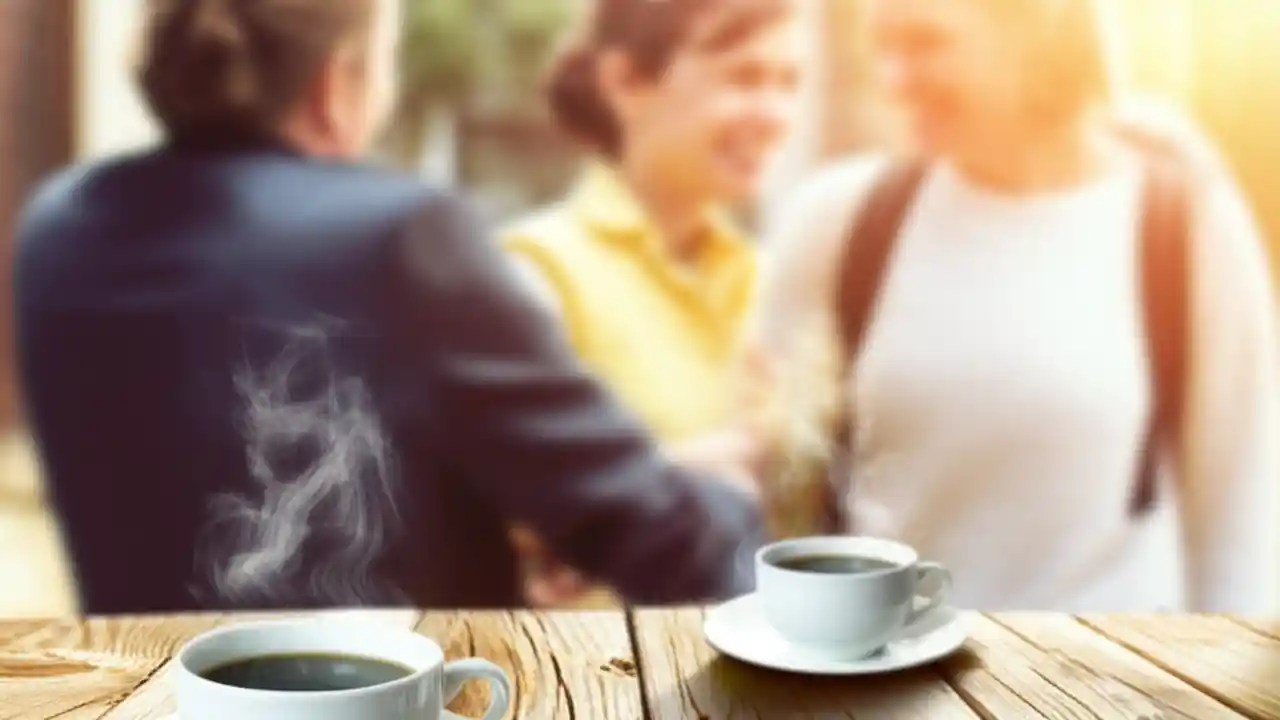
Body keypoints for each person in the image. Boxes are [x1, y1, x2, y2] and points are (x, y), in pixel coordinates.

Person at [15, 0, 762, 615]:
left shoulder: (58, 229)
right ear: (335, 88)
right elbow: (665, 543)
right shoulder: (396, 239)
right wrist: (734, 492)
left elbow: (217, 472)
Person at [756, 0, 1278, 612]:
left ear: (1038, 28)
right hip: (889, 682)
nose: (895, 80)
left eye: (925, 42)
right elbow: (761, 487)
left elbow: (1243, 522)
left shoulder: (1184, 225)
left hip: (1101, 690)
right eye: (884, 47)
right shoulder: (840, 219)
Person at [500, 0, 800, 605]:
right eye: (744, 78)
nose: (776, 116)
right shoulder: (533, 274)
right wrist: (707, 469)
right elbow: (504, 517)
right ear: (626, 81)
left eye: (789, 83)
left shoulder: (778, 280)